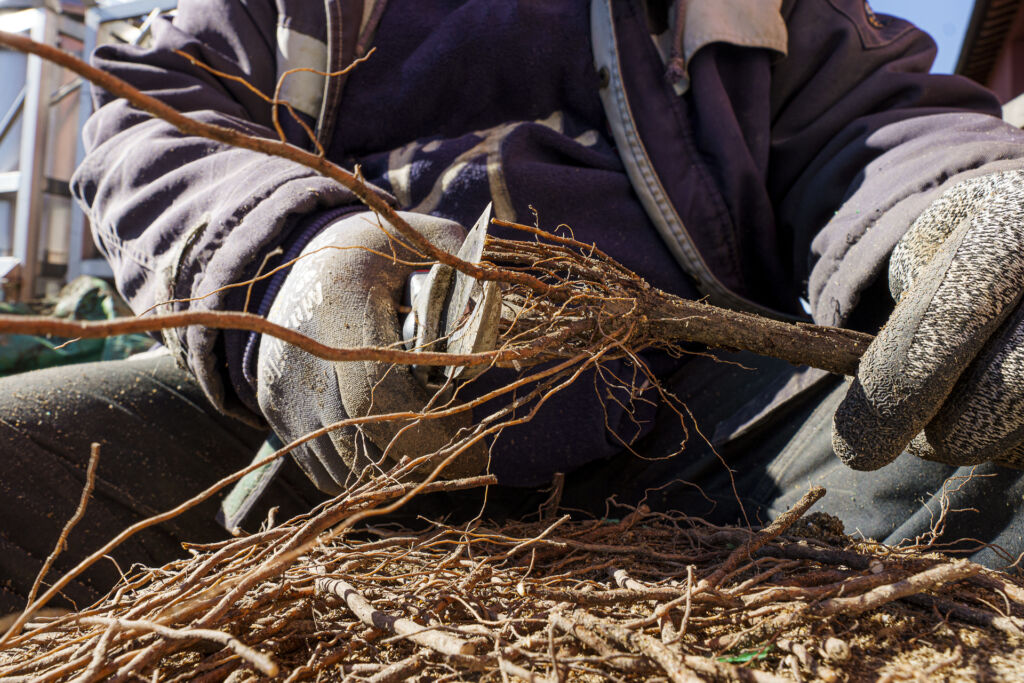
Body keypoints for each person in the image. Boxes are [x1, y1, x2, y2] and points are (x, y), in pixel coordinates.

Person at [4, 0, 1024, 612]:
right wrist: (286, 267)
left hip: (703, 437)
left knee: (1000, 428)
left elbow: (877, 128)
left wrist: (960, 208)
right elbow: (152, 123)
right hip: (291, 422)